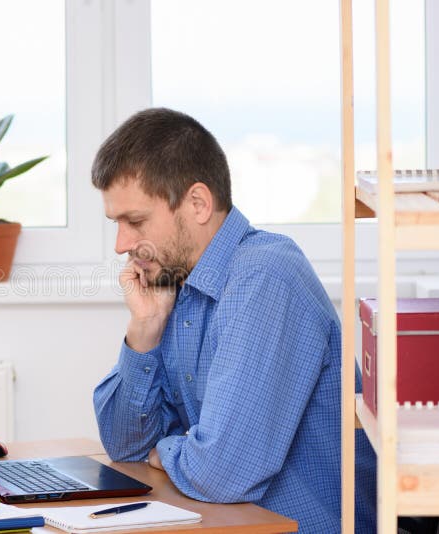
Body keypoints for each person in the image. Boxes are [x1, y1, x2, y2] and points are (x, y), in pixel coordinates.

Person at [91, 108, 376, 533]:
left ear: (198, 204)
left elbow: (222, 472)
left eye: (135, 222)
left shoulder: (264, 277)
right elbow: (127, 447)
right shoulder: (177, 285)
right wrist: (145, 330)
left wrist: (167, 452)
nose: (121, 244)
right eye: (117, 224)